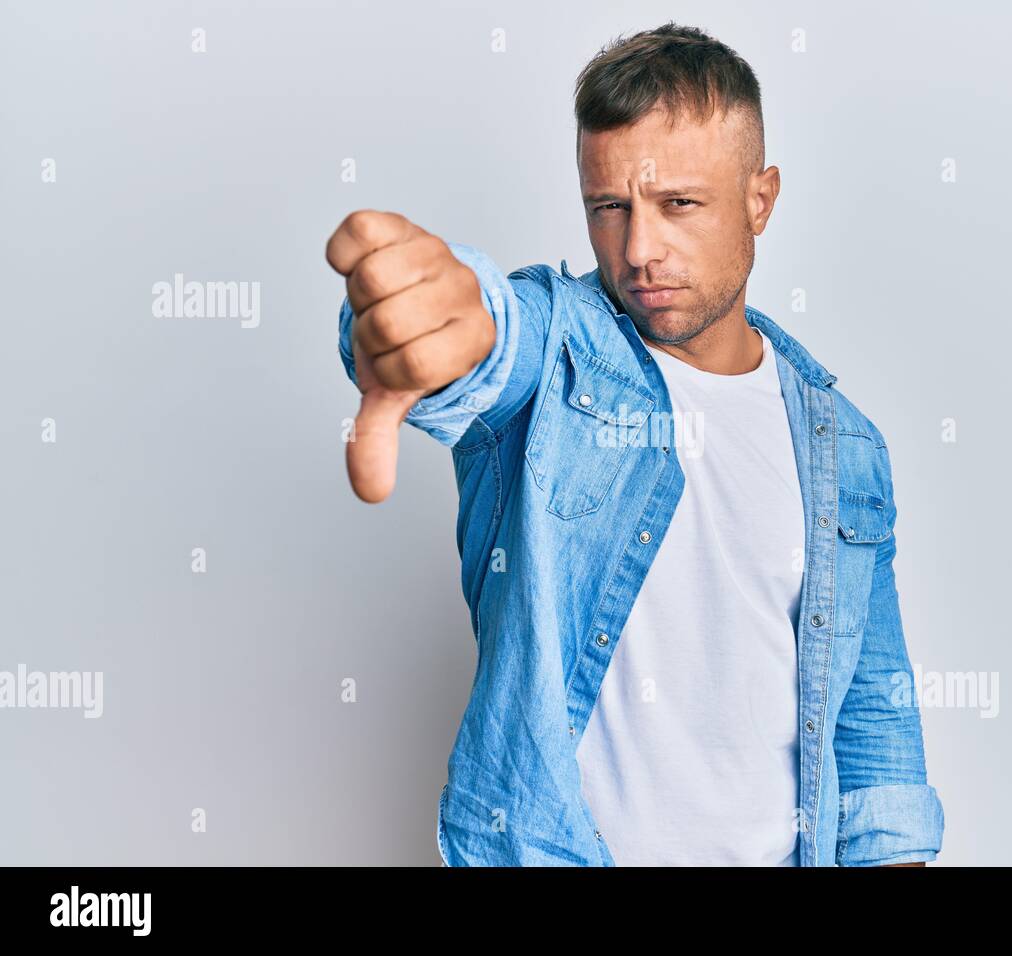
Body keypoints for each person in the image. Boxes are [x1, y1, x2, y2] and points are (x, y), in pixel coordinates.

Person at [326, 22, 943, 867]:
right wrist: (432, 324)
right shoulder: (560, 358)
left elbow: (874, 721)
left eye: (678, 204)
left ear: (760, 199)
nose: (639, 250)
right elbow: (491, 334)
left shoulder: (846, 445)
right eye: (608, 207)